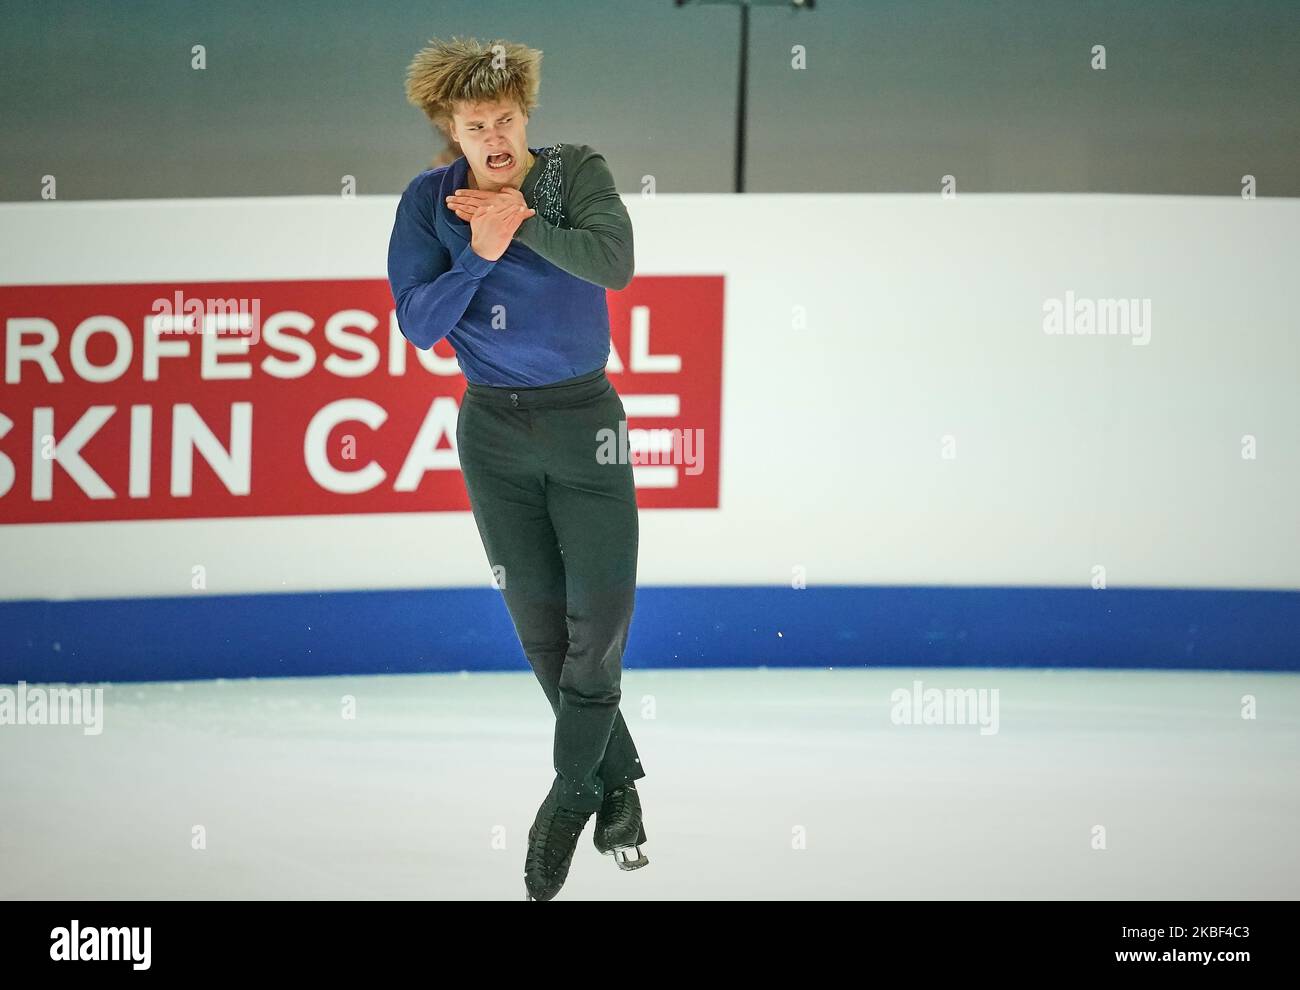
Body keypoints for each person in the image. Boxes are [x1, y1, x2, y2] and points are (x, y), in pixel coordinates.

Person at [387, 35, 648, 901]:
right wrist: (480, 253)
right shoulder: (429, 202)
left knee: (599, 625)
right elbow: (420, 325)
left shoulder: (573, 173)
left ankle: (570, 801)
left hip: (588, 427)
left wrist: (525, 220)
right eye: (474, 124)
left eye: (505, 118)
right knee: (543, 632)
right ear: (450, 129)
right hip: (493, 437)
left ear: (526, 117)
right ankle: (615, 786)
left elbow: (614, 262)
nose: (493, 136)